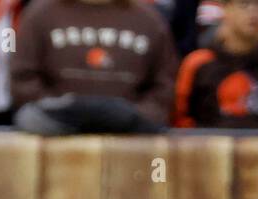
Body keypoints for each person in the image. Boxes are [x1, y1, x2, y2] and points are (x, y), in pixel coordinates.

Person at [10, 0, 180, 135]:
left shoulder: (149, 19)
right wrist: (63, 112)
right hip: (55, 138)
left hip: (130, 142)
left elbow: (165, 84)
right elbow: (22, 77)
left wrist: (133, 116)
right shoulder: (39, 14)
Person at [174, 0, 258, 129]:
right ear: (225, 8)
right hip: (207, 145)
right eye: (244, 4)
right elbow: (179, 118)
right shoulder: (199, 62)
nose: (254, 12)